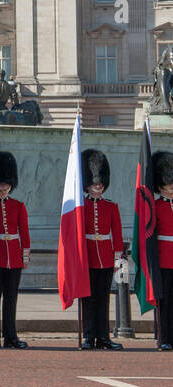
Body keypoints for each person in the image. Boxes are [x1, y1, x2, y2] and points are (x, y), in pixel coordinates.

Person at [0, 150, 30, 349]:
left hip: (14, 256)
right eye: (0, 184)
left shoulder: (18, 205)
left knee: (11, 299)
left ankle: (11, 336)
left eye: (6, 183)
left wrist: (25, 255)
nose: (4, 187)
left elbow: (24, 232)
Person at [79, 149, 123, 350]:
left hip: (105, 257)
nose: (98, 185)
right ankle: (88, 336)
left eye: (100, 182)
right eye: (95, 182)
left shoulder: (111, 207)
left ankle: (103, 337)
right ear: (87, 183)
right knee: (88, 299)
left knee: (103, 299)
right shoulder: (80, 207)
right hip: (87, 257)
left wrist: (117, 259)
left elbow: (117, 234)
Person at [152, 151, 173, 351]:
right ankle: (163, 335)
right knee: (164, 299)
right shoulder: (156, 206)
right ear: (160, 185)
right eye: (169, 183)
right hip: (163, 258)